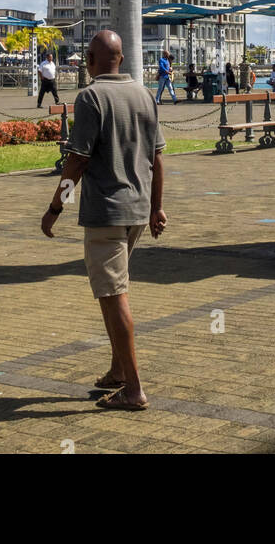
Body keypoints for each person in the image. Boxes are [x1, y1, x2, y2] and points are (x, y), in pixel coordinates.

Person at [41, 29, 166, 411]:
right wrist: (157, 207)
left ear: (91, 63)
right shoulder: (144, 94)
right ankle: (116, 371)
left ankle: (133, 389)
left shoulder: (92, 97)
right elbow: (158, 157)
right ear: (123, 60)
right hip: (138, 211)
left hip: (106, 212)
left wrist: (55, 208)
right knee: (114, 289)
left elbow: (77, 161)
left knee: (113, 296)